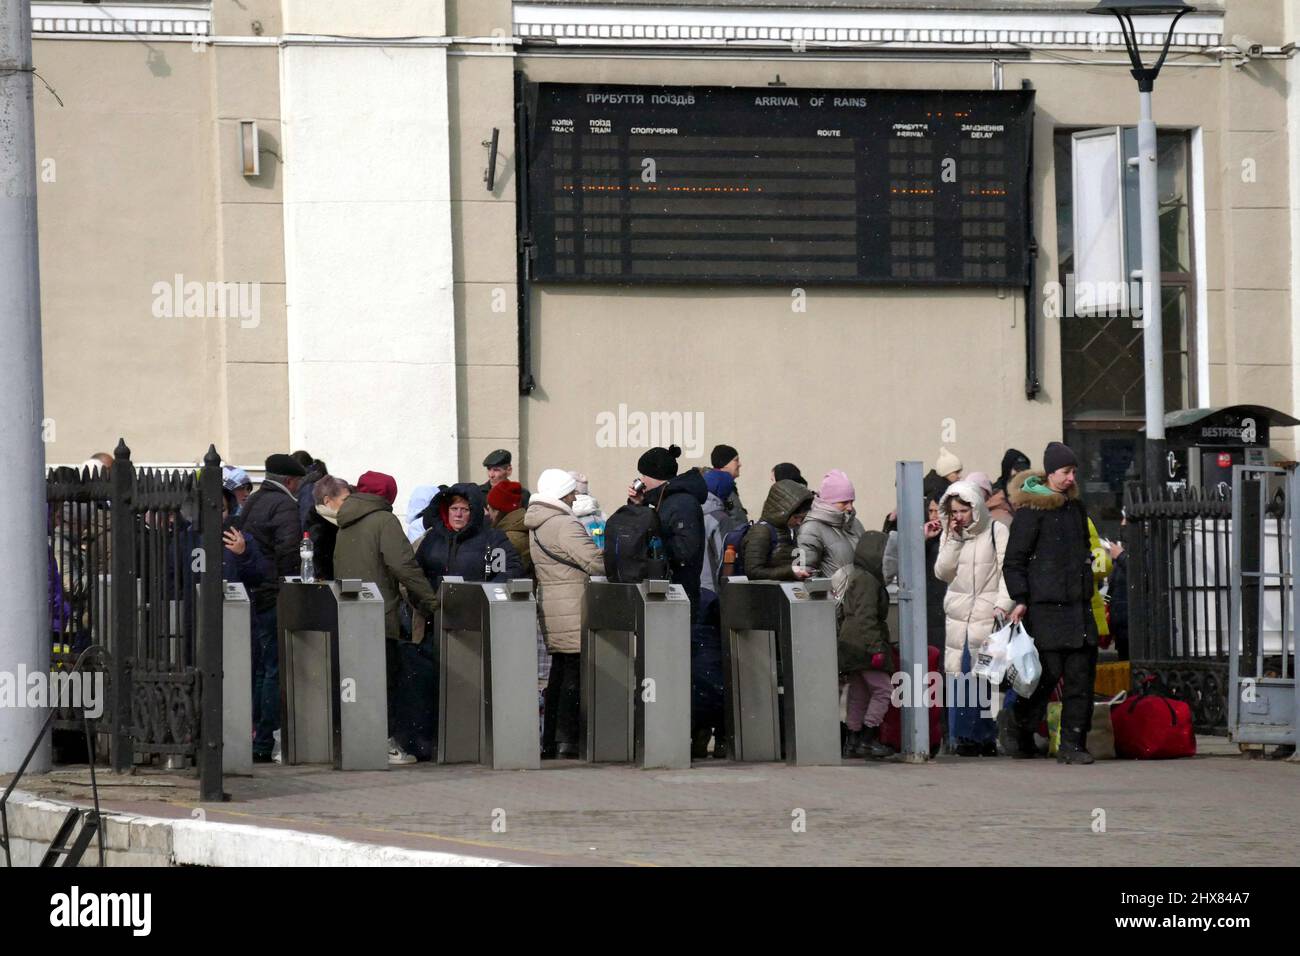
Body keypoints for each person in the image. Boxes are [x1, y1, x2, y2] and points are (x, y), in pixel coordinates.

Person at [327, 472, 441, 765]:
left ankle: (358, 743)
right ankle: (387, 744)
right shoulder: (383, 521)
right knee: (386, 682)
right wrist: (431, 601)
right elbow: (403, 565)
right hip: (381, 614)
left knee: (358, 682)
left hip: (351, 612)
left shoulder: (344, 523)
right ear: (387, 495)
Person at [1003, 442, 1100, 765]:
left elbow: (1085, 549)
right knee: (1045, 675)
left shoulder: (1075, 508)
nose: (1071, 478)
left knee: (1080, 678)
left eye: (1074, 472)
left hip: (1078, 606)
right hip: (1046, 609)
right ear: (1049, 474)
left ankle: (1073, 743)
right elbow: (1014, 560)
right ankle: (1020, 728)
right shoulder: (1032, 512)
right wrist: (1020, 598)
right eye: (1065, 472)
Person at [527, 469, 605, 758]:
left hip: (552, 604)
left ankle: (551, 740)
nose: (575, 498)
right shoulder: (564, 524)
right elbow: (595, 562)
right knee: (574, 673)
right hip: (573, 605)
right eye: (572, 493)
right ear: (562, 494)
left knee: (559, 673)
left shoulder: (537, 523)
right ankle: (567, 739)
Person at [934, 480, 1015, 756]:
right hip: (959, 615)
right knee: (959, 675)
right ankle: (965, 737)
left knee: (981, 676)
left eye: (963, 511)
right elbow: (942, 572)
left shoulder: (996, 530)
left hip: (986, 613)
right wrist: (954, 540)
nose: (958, 517)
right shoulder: (951, 534)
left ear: (975, 508)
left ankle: (983, 737)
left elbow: (1007, 570)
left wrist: (1003, 604)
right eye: (954, 511)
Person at [236, 453, 307, 763]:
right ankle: (264, 740)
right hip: (273, 594)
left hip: (252, 591)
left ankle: (251, 735)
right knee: (272, 670)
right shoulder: (285, 505)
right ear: (290, 481)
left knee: (258, 668)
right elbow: (289, 550)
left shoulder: (252, 501)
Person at [626, 445, 707, 618]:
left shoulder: (681, 503)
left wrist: (653, 547)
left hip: (679, 592)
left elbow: (685, 549)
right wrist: (638, 505)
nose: (641, 480)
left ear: (654, 476)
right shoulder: (665, 501)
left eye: (644, 475)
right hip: (669, 591)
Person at [838, 531, 898, 760]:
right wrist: (876, 650)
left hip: (851, 643)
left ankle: (853, 740)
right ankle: (867, 737)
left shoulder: (858, 576)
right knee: (883, 690)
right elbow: (867, 618)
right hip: (864, 644)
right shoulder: (868, 581)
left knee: (859, 693)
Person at [692, 468, 738, 758]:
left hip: (691, 597)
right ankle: (721, 735)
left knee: (698, 670)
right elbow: (726, 563)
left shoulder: (691, 513)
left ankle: (698, 733)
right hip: (714, 599)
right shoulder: (721, 520)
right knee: (718, 669)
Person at [415, 482, 523, 590]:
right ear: (445, 510)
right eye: (454, 508)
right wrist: (425, 601)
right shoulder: (432, 538)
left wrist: (486, 593)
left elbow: (510, 569)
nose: (458, 514)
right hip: (435, 604)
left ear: (474, 512)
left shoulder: (493, 539)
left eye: (465, 509)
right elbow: (415, 572)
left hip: (477, 604)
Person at [796, 469, 865, 580]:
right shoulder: (811, 529)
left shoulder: (855, 524)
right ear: (828, 502)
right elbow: (807, 574)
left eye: (852, 501)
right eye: (844, 502)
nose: (850, 507)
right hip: (832, 596)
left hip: (859, 594)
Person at [743, 479, 814, 580]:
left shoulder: (789, 530)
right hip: (764, 593)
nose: (799, 522)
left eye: (802, 518)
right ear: (783, 512)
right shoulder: (761, 532)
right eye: (796, 517)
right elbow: (753, 571)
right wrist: (790, 571)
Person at [221, 488, 273, 592]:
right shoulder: (189, 537)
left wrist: (243, 555)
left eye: (222, 509)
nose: (216, 514)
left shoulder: (243, 538)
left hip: (235, 604)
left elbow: (258, 578)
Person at [487, 480, 532, 578]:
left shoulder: (509, 538)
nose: (487, 513)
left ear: (498, 512)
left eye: (490, 508)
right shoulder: (521, 527)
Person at [986, 448, 1031, 524]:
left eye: (1025, 471)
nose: (1021, 475)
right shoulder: (997, 496)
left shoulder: (1029, 491)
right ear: (1007, 470)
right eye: (1018, 470)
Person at [709, 443, 748, 524]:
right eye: (736, 460)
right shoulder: (716, 487)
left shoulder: (724, 485)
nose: (740, 464)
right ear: (724, 463)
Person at [1108, 516, 1130, 661]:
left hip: (1132, 622)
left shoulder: (1144, 544)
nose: (1122, 522)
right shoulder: (1124, 546)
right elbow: (1114, 582)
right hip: (1121, 620)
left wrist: (1121, 556)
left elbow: (1143, 573)